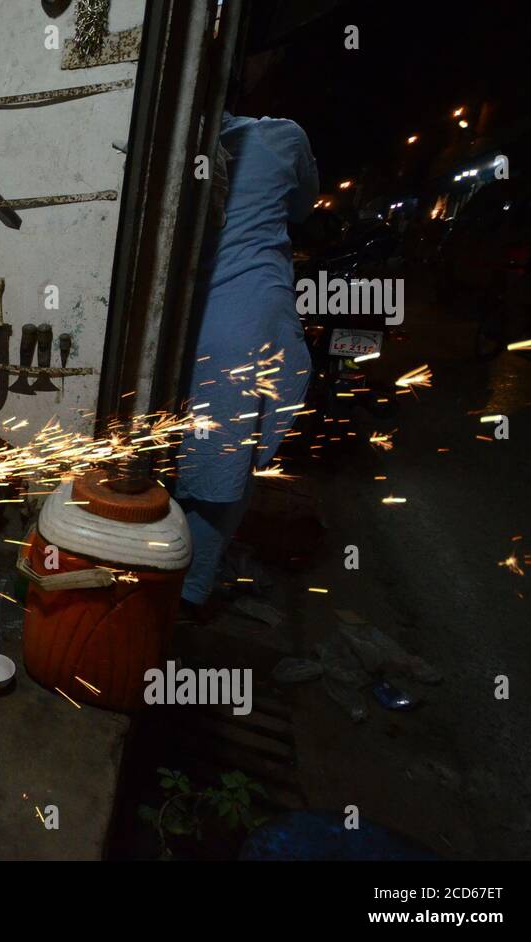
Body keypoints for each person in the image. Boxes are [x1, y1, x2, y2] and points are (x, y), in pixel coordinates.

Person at [176, 113, 318, 617]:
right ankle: (189, 593)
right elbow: (302, 205)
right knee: (223, 467)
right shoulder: (285, 134)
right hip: (246, 319)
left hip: (193, 318)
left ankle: (177, 581)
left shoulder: (192, 133)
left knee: (197, 456)